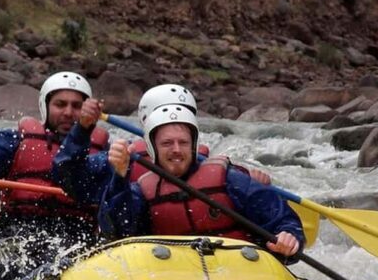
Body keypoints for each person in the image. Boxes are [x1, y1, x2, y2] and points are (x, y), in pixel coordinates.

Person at [0, 71, 110, 280]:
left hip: (74, 236)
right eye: (60, 104)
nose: (68, 112)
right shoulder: (17, 140)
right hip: (16, 230)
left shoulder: (105, 153)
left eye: (76, 106)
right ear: (45, 106)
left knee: (45, 263)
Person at [100, 105, 304, 258]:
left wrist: (289, 236)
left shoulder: (231, 181)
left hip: (238, 273)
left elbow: (284, 220)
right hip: (175, 278)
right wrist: (119, 177)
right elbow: (117, 231)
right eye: (167, 143)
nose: (176, 149)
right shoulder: (142, 191)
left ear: (194, 146)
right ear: (153, 148)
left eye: (183, 142)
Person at [55, 84, 270, 208]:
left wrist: (258, 188)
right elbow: (68, 178)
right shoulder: (122, 158)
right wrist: (82, 130)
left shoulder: (214, 169)